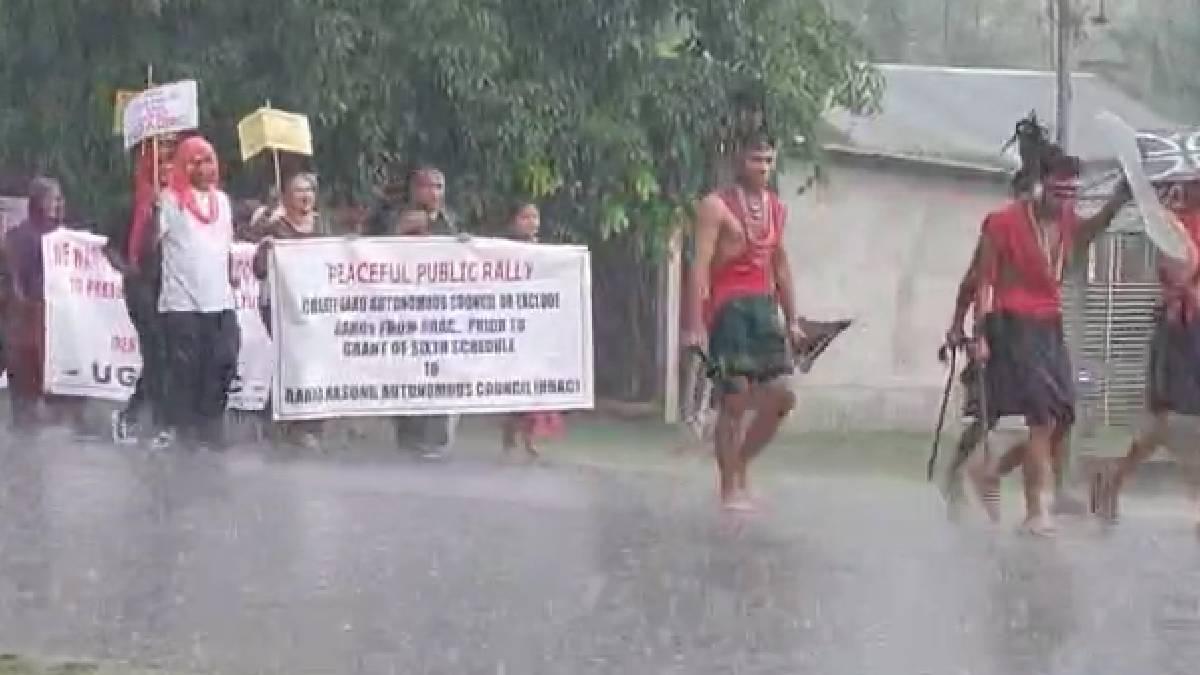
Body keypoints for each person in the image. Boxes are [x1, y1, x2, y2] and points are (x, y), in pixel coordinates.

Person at [961, 114, 1129, 535]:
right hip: (1012, 325)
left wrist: (1117, 201)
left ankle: (994, 471)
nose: (1065, 200)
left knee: (1062, 418)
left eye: (1072, 193)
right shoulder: (1002, 223)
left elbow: (1088, 233)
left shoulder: (1069, 221)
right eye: (1058, 191)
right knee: (1040, 419)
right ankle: (1038, 509)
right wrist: (978, 334)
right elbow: (983, 281)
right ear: (1040, 184)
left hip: (1050, 327)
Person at [686, 132, 803, 512]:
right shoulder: (715, 206)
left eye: (769, 160)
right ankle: (728, 487)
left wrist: (794, 319)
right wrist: (694, 323)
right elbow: (700, 266)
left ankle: (741, 465)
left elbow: (781, 265)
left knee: (783, 395)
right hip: (727, 308)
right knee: (733, 400)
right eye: (756, 160)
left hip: (764, 308)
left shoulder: (777, 209)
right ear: (739, 160)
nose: (763, 168)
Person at [1092, 181, 1200, 524]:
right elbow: (1170, 273)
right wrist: (1187, 287)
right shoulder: (1171, 223)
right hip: (1180, 329)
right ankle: (1112, 482)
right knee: (1167, 422)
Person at [155, 136, 240, 450]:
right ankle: (182, 429)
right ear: (185, 166)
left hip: (220, 299)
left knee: (225, 360)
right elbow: (149, 241)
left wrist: (230, 272)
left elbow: (225, 244)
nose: (206, 168)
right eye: (197, 162)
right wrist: (149, 211)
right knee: (185, 369)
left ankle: (210, 422)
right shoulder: (170, 199)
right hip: (182, 302)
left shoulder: (224, 201)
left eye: (210, 160)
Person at [0, 177, 89, 436]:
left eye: (61, 198)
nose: (60, 204)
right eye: (55, 198)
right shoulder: (18, 237)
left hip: (56, 324)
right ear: (39, 202)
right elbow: (13, 278)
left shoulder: (66, 238)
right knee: (26, 398)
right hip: (26, 326)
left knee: (57, 395)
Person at [246, 172, 326, 450]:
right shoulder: (276, 228)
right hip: (279, 304)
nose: (305, 197)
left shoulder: (323, 225)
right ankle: (279, 421)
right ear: (286, 198)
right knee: (291, 358)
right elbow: (257, 269)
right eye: (298, 191)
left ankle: (304, 423)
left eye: (310, 191)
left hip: (315, 305)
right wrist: (266, 249)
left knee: (312, 362)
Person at [106, 136, 175, 444]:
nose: (165, 168)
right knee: (156, 351)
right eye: (158, 161)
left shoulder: (178, 201)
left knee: (166, 355)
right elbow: (109, 248)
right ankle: (159, 422)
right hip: (141, 288)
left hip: (173, 289)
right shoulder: (130, 203)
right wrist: (128, 271)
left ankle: (132, 415)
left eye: (169, 161)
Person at [388, 167, 460, 461]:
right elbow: (376, 254)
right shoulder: (397, 218)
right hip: (405, 312)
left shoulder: (451, 221)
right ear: (415, 190)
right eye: (427, 186)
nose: (433, 193)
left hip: (441, 313)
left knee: (441, 375)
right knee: (407, 376)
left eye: (439, 186)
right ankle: (407, 439)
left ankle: (440, 442)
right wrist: (401, 233)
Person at [497, 201, 565, 459]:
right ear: (513, 220)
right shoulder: (502, 249)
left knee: (535, 388)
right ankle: (510, 435)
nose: (532, 222)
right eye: (525, 217)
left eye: (536, 217)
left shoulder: (542, 250)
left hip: (537, 326)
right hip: (512, 326)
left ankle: (530, 438)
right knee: (514, 386)